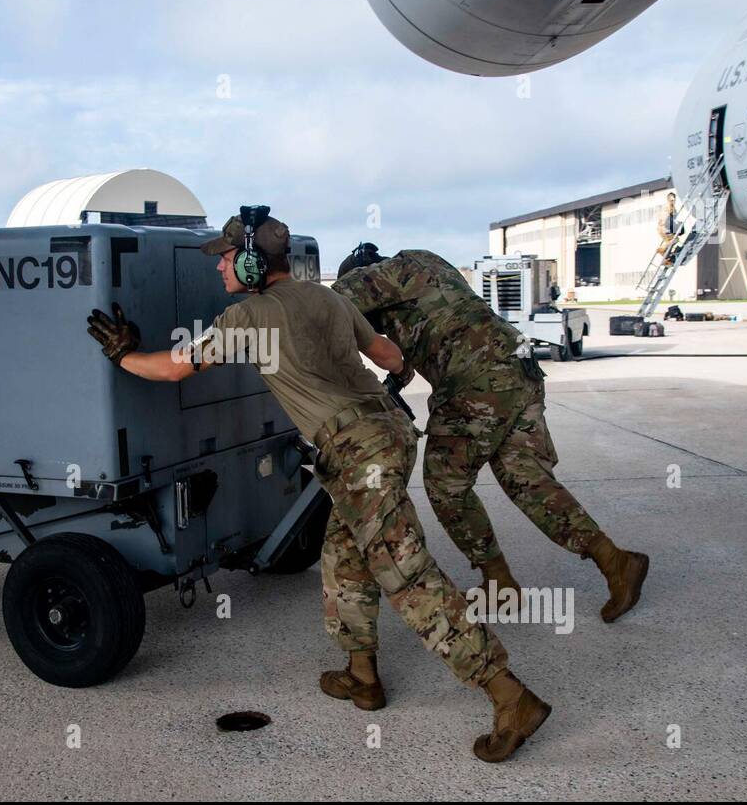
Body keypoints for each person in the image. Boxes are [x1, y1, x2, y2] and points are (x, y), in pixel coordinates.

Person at [86, 212, 551, 762]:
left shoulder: (248, 316)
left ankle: (507, 693)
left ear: (254, 262)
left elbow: (172, 369)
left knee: (406, 573)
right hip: (391, 436)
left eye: (227, 256)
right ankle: (362, 675)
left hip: (358, 454)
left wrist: (123, 355)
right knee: (343, 556)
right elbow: (389, 356)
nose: (218, 264)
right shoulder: (328, 297)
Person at [333, 244, 649, 624]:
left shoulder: (375, 275)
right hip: (517, 365)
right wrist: (396, 379)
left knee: (445, 485)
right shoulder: (425, 266)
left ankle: (499, 584)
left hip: (476, 381)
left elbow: (323, 305)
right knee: (526, 479)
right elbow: (417, 347)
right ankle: (615, 561)